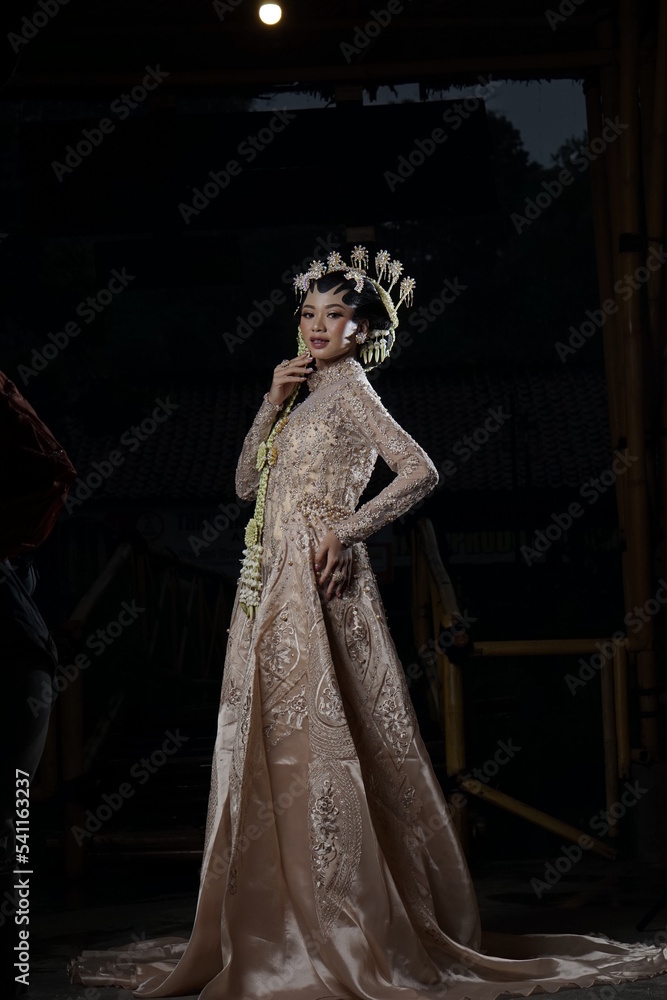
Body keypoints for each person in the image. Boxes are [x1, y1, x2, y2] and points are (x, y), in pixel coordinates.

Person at [68, 247, 667, 998]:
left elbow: (420, 469)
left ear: (360, 332)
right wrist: (268, 401)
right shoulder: (302, 391)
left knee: (325, 749)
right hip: (268, 585)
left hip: (318, 586)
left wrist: (346, 532)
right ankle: (281, 917)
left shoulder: (351, 387)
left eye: (334, 316)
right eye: (307, 314)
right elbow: (244, 483)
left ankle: (340, 923)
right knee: (270, 746)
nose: (316, 327)